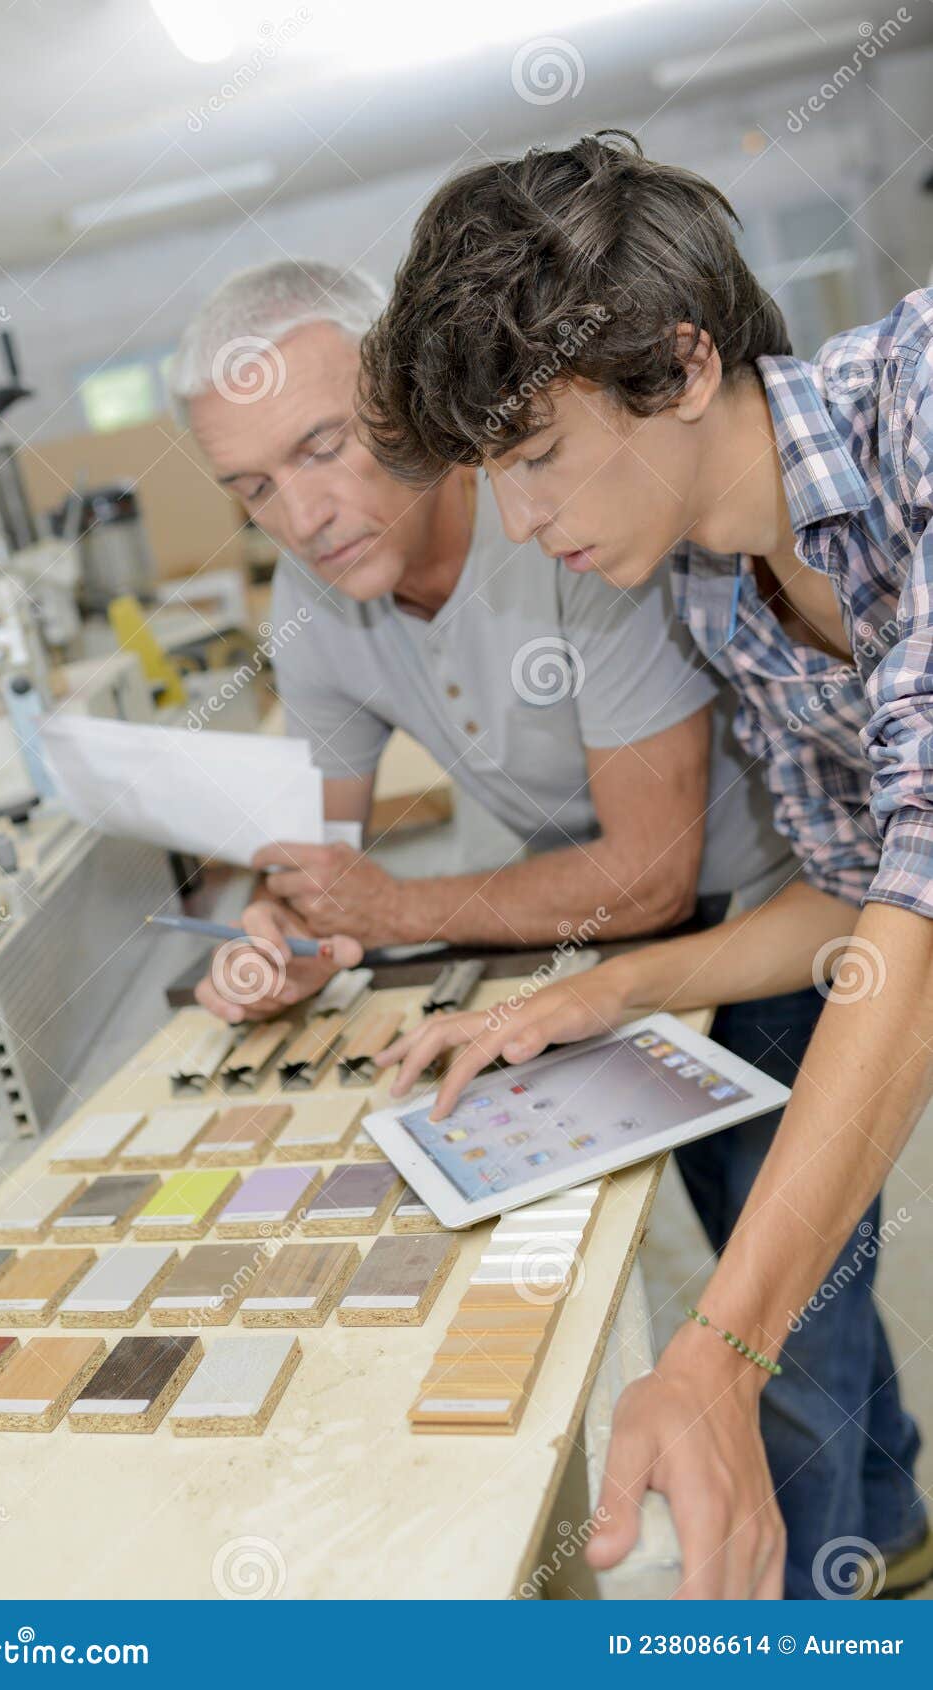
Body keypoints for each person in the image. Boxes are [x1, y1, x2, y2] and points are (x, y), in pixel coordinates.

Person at [358, 132, 931, 1600]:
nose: (524, 522)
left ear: (679, 368)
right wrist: (605, 992)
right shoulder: (715, 590)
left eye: (538, 458)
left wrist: (725, 1348)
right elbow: (850, 894)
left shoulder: (922, 403)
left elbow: (923, 908)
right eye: (496, 475)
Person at [169, 259, 788, 1027]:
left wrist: (394, 911)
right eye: (255, 489)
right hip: (580, 944)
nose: (301, 522)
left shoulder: (566, 519)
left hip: (759, 921)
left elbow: (651, 877)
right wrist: (283, 933)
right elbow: (318, 861)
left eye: (324, 448)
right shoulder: (312, 596)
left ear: (408, 396)